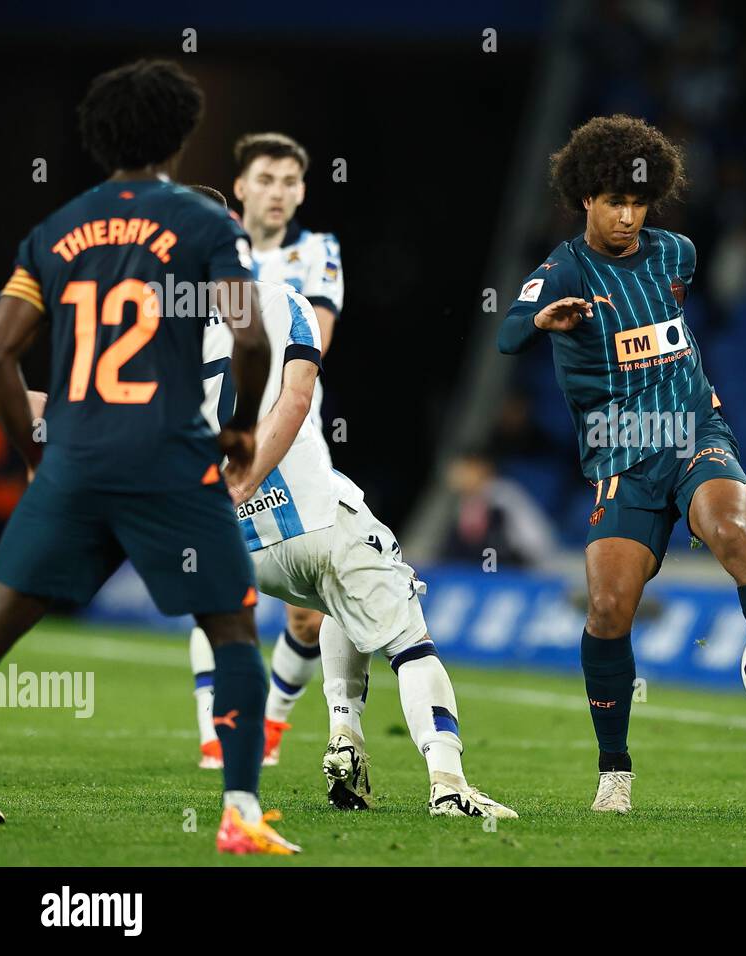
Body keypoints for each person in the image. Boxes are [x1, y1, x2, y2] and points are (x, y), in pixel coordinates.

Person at [0, 60, 297, 854]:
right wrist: (235, 436)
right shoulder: (206, 226)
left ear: (99, 138)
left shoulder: (53, 230)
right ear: (181, 133)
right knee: (230, 629)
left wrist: (34, 453)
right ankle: (239, 813)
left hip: (77, 463)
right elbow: (250, 334)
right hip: (168, 459)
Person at [498, 114, 746, 814]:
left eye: (638, 201)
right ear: (584, 199)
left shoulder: (676, 253)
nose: (627, 215)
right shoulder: (564, 267)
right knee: (607, 608)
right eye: (612, 200)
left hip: (693, 432)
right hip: (622, 455)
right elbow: (506, 333)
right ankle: (615, 773)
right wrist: (541, 323)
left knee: (733, 533)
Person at [194, 187, 515, 820]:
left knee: (340, 600)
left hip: (245, 548)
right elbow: (294, 398)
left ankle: (345, 735)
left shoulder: (151, 340)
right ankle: (449, 787)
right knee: (411, 643)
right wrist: (251, 477)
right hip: (312, 513)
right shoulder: (275, 301)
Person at [189, 132, 344, 769]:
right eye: (266, 180)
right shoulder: (199, 250)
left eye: (290, 182)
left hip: (292, 433)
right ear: (243, 186)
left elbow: (315, 344)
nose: (278, 192)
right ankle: (217, 733)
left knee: (308, 615)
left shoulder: (317, 253)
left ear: (303, 190)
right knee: (217, 578)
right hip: (211, 434)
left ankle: (273, 722)